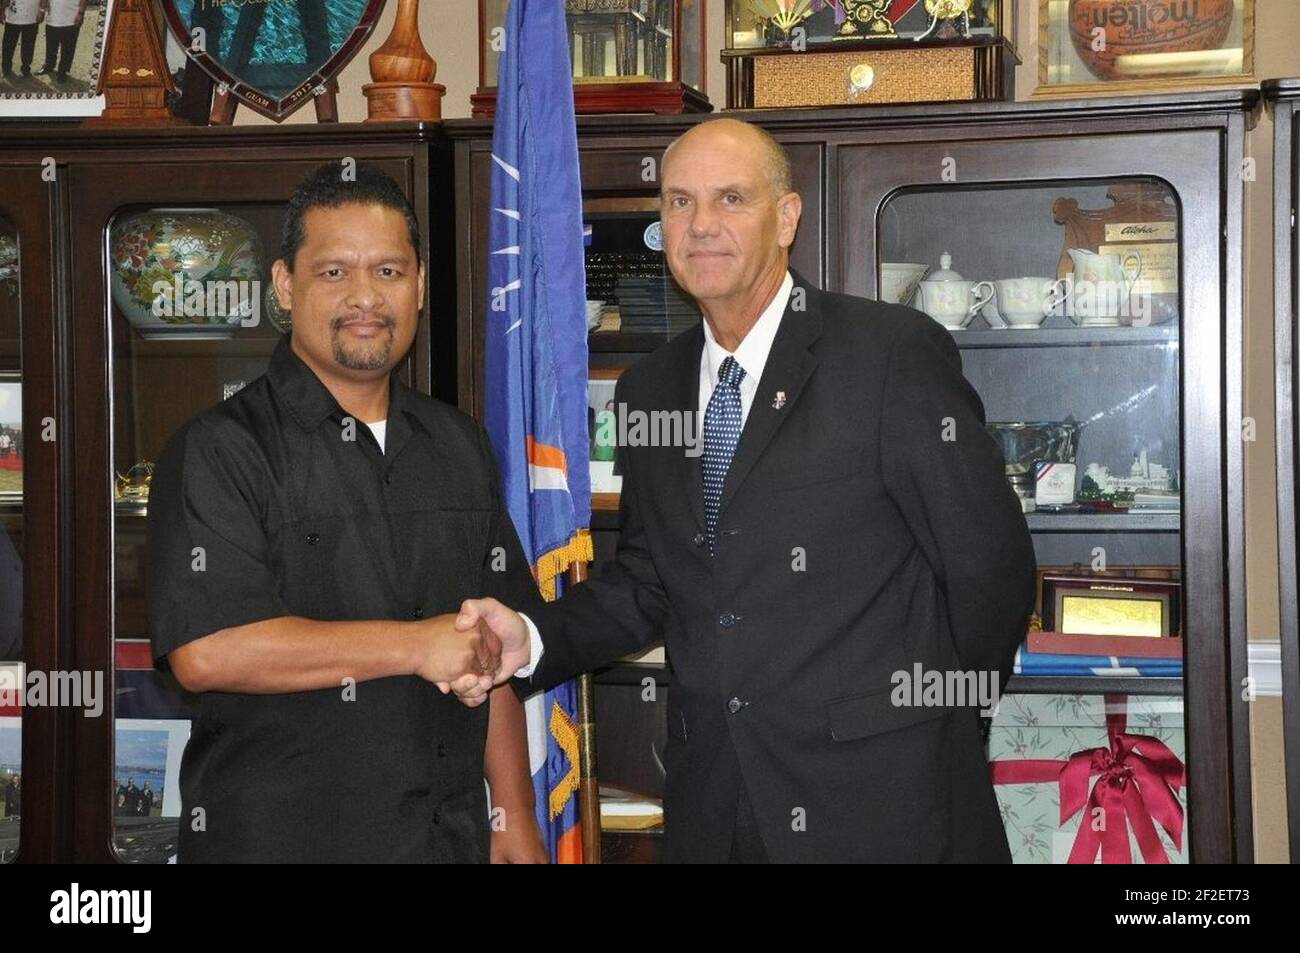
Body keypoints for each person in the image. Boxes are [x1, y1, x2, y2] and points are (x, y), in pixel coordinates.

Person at [455, 118, 1037, 863]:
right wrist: (529, 637)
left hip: (887, 803)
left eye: (731, 198)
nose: (701, 225)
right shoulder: (649, 388)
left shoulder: (888, 355)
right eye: (678, 202)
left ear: (786, 217)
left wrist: (944, 716)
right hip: (717, 810)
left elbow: (990, 566)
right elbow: (647, 584)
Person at [147, 163, 547, 863]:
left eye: (389, 271)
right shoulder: (219, 449)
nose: (366, 297)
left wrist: (512, 813)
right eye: (334, 272)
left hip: (445, 841)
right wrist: (416, 645)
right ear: (284, 285)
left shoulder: (459, 444)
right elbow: (206, 650)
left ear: (420, 283)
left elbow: (492, 644)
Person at [35, 0, 84, 84]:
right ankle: (49, 67)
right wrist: (42, 10)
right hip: (52, 20)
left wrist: (81, 13)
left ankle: (62, 72)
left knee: (68, 49)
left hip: (71, 21)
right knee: (51, 48)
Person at [0, 0, 40, 79]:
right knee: (8, 46)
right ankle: (6, 69)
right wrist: (2, 10)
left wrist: (42, 11)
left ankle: (26, 69)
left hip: (31, 18)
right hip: (12, 19)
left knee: (28, 46)